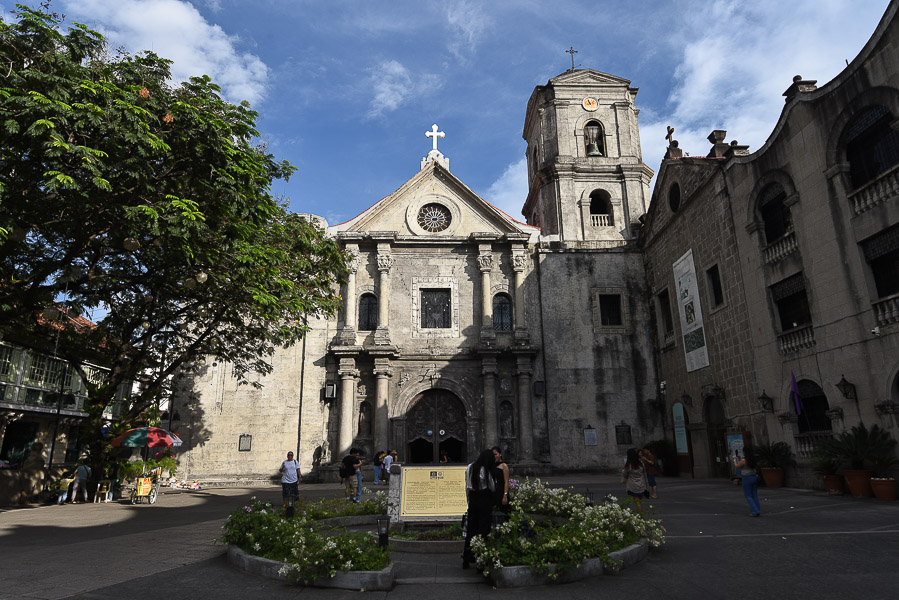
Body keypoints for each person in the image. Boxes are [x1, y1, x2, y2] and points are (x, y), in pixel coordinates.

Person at [462, 449, 498, 569]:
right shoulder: (486, 470)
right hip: (484, 499)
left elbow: (467, 485)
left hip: (473, 499)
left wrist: (469, 501)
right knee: (484, 530)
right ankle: (481, 560)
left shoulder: (470, 467)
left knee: (471, 529)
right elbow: (491, 486)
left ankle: (466, 558)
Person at [733, 446, 761, 517]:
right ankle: (757, 510)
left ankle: (755, 511)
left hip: (747, 478)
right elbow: (744, 465)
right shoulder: (753, 459)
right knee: (754, 495)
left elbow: (737, 466)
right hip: (754, 477)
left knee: (748, 495)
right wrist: (739, 458)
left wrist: (734, 459)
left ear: (744, 452)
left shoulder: (744, 460)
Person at [622, 448, 649, 513]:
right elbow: (644, 472)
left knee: (637, 502)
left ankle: (639, 516)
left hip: (633, 485)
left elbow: (625, 474)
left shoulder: (629, 465)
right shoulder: (640, 464)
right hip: (641, 484)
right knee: (639, 501)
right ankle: (639, 514)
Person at [491, 446, 510, 512]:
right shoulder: (492, 465)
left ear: (500, 454)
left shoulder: (504, 466)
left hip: (501, 490)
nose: (494, 456)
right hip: (494, 491)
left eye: (496, 454)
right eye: (493, 455)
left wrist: (505, 495)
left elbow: (506, 482)